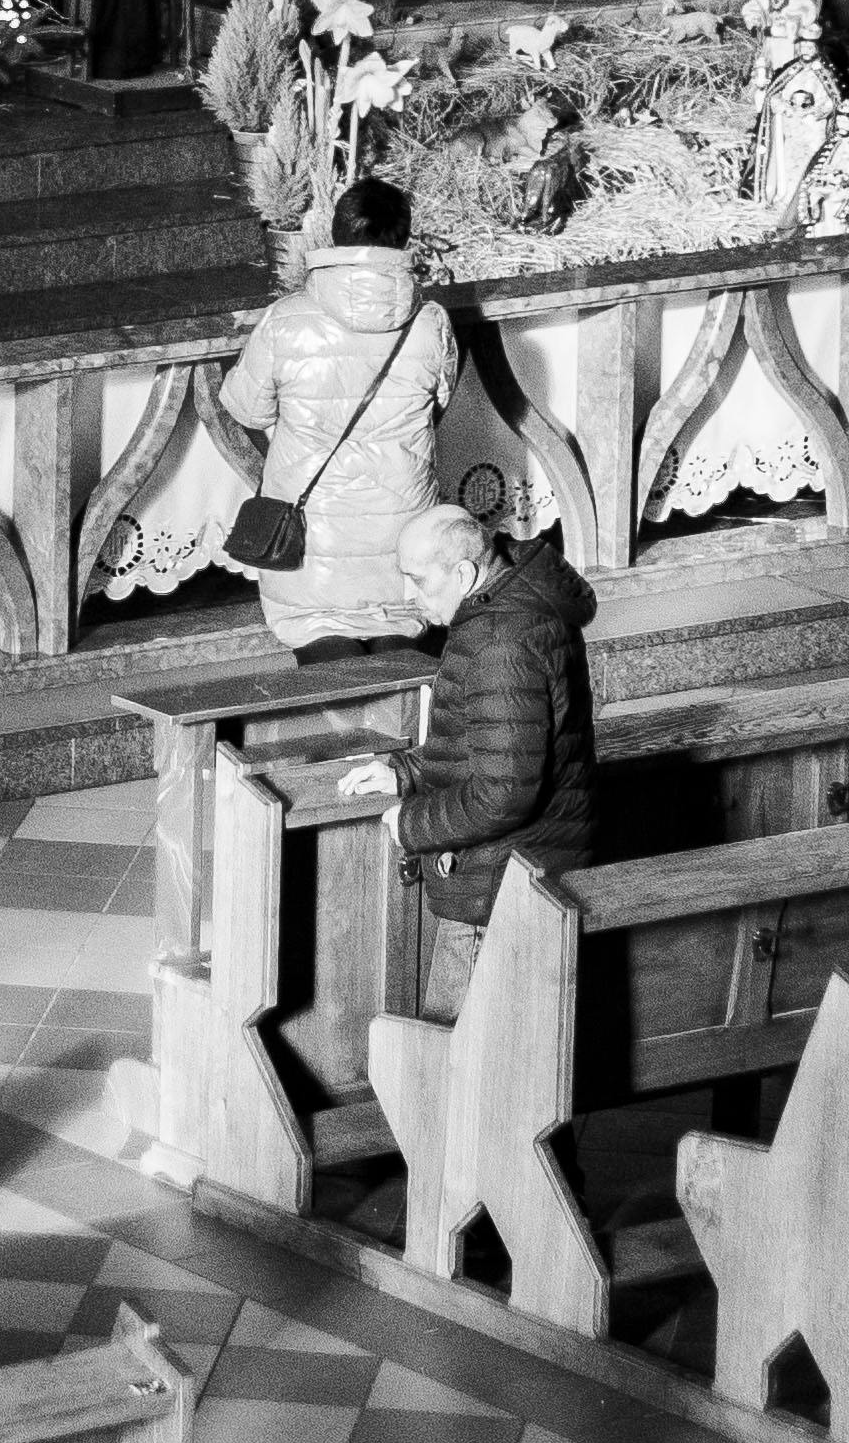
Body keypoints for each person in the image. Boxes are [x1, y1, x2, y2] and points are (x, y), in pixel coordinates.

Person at [335, 501, 596, 999]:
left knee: (451, 1064)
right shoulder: (513, 601)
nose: (409, 596)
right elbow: (490, 746)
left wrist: (409, 823)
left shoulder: (501, 643)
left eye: (418, 580)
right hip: (524, 871)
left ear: (463, 572)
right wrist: (406, 773)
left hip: (496, 890)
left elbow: (502, 795)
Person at [221, 177, 457, 658]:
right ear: (404, 238)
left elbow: (245, 407)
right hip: (403, 535)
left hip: (310, 540)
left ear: (336, 234)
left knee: (320, 637)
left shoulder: (286, 319)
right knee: (401, 639)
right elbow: (439, 402)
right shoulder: (430, 322)